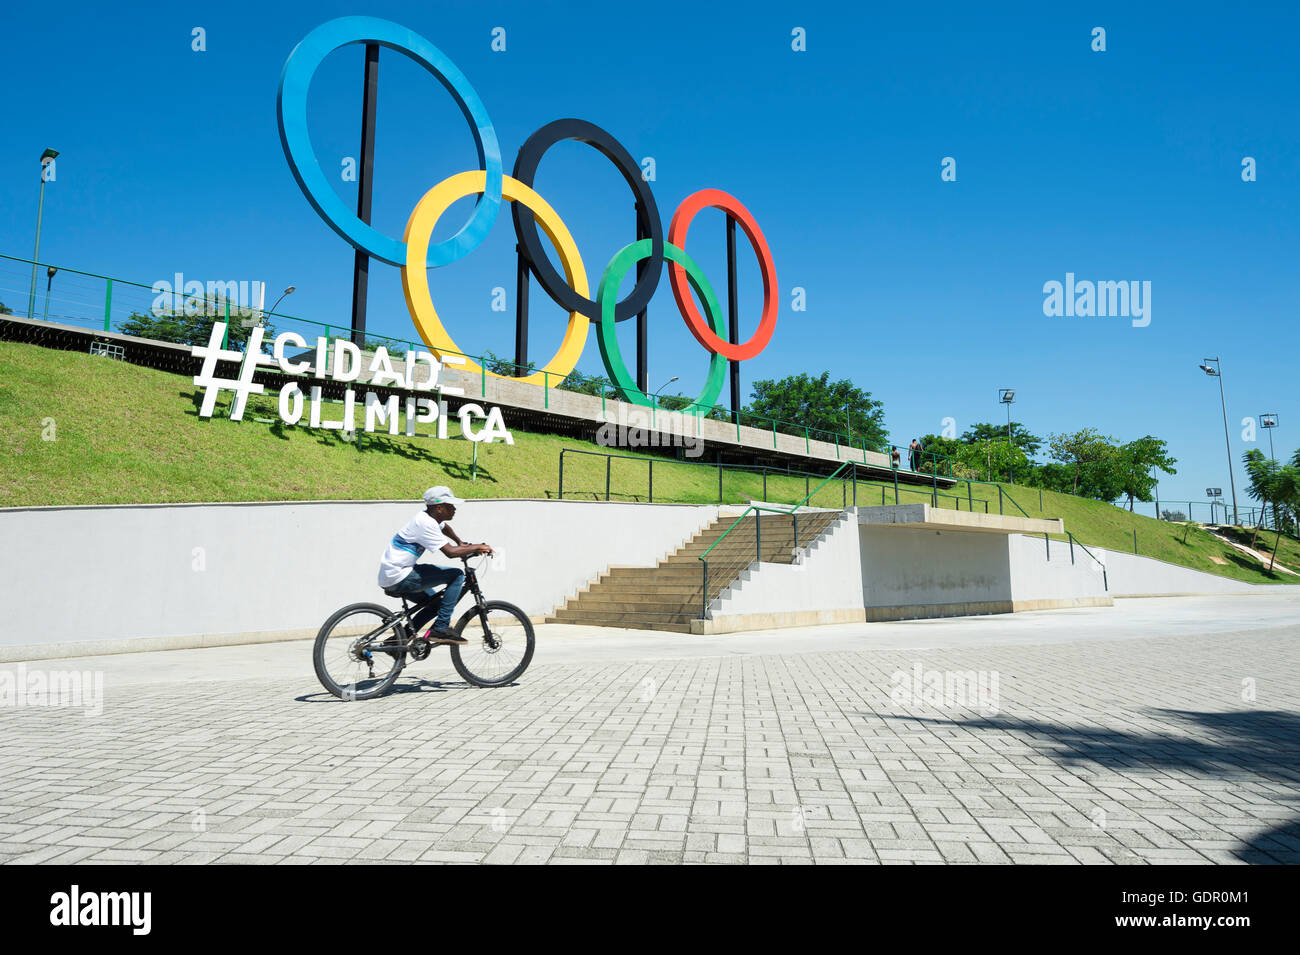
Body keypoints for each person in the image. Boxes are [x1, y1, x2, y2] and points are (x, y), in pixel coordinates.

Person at [377, 486, 493, 645]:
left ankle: (399, 640)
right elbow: (450, 552)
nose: (454, 508)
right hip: (401, 576)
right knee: (457, 575)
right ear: (439, 508)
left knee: (435, 604)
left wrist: (460, 542)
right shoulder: (425, 524)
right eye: (450, 505)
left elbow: (445, 527)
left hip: (392, 576)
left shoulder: (429, 518)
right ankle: (441, 628)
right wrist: (477, 547)